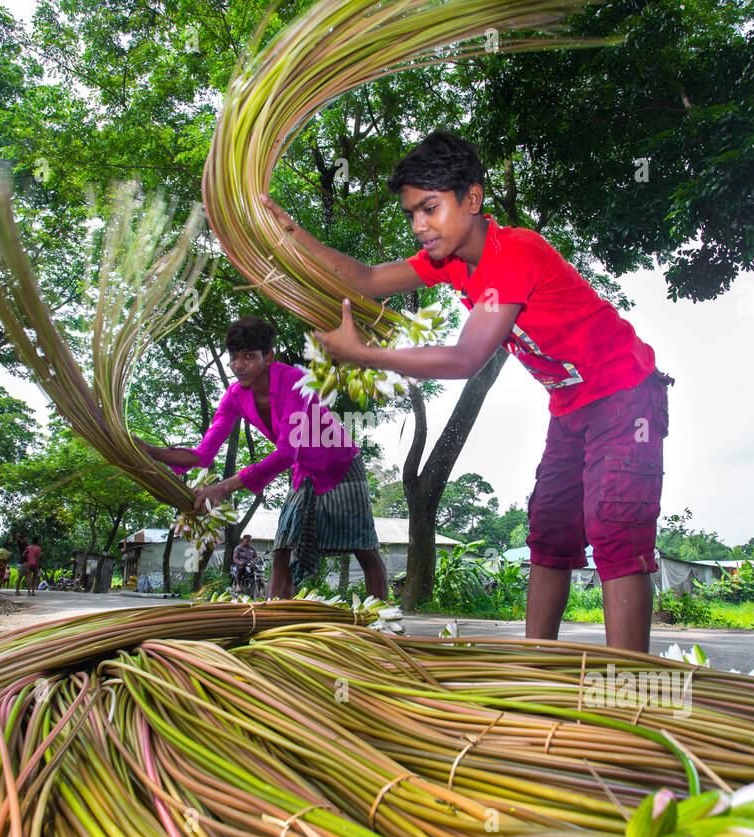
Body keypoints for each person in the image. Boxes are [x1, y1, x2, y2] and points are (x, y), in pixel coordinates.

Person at [259, 131, 672, 652]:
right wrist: (292, 234)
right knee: (548, 532)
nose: (418, 225)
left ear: (472, 199)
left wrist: (364, 355)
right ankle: (534, 666)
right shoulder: (450, 261)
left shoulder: (517, 252)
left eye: (429, 208)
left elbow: (465, 357)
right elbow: (364, 278)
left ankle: (627, 686)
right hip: (571, 408)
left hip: (626, 394)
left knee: (613, 528)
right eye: (411, 213)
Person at [140, 316, 387, 601]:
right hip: (304, 470)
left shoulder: (295, 382)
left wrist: (222, 487)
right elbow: (201, 455)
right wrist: (150, 451)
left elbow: (285, 453)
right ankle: (274, 615)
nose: (239, 365)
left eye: (249, 356)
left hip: (340, 464)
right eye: (234, 357)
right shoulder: (234, 397)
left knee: (364, 547)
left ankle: (381, 620)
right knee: (282, 547)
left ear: (268, 356)